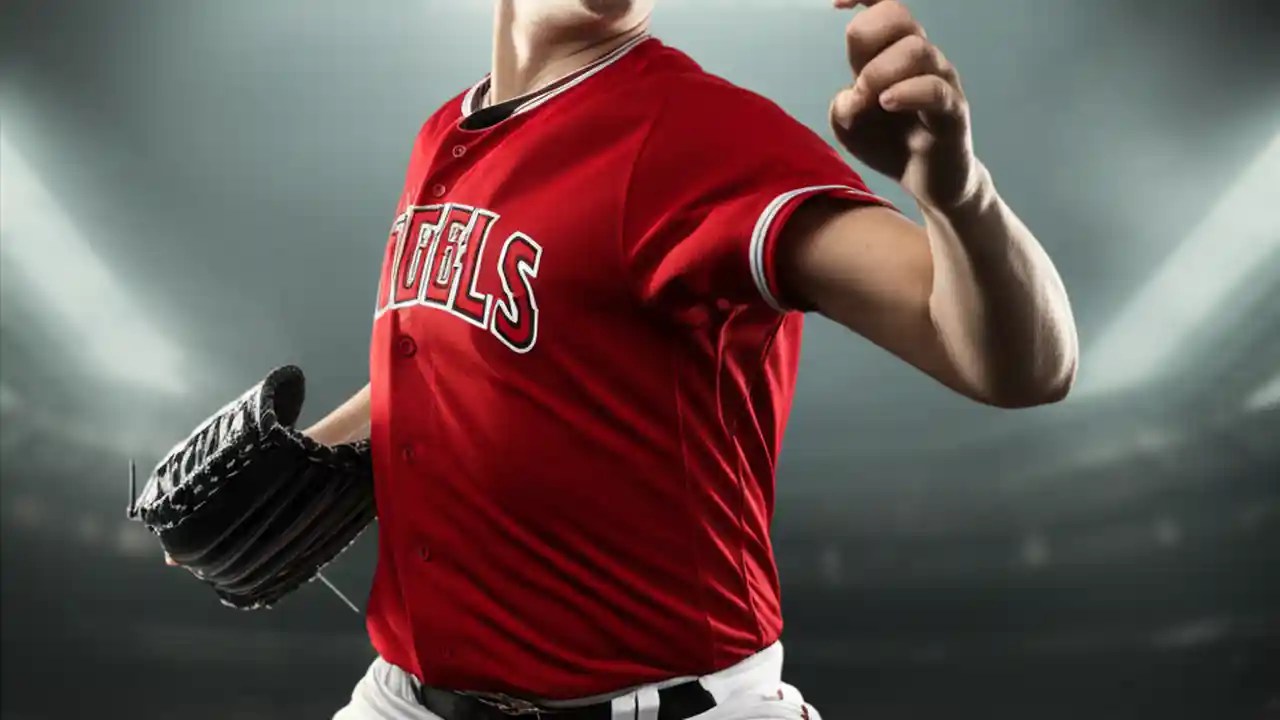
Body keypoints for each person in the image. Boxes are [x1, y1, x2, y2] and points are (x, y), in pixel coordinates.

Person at [298, 1, 1080, 718]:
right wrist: (307, 454)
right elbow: (482, 352)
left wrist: (955, 192)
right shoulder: (446, 130)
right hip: (403, 698)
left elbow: (1020, 367)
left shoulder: (697, 132)